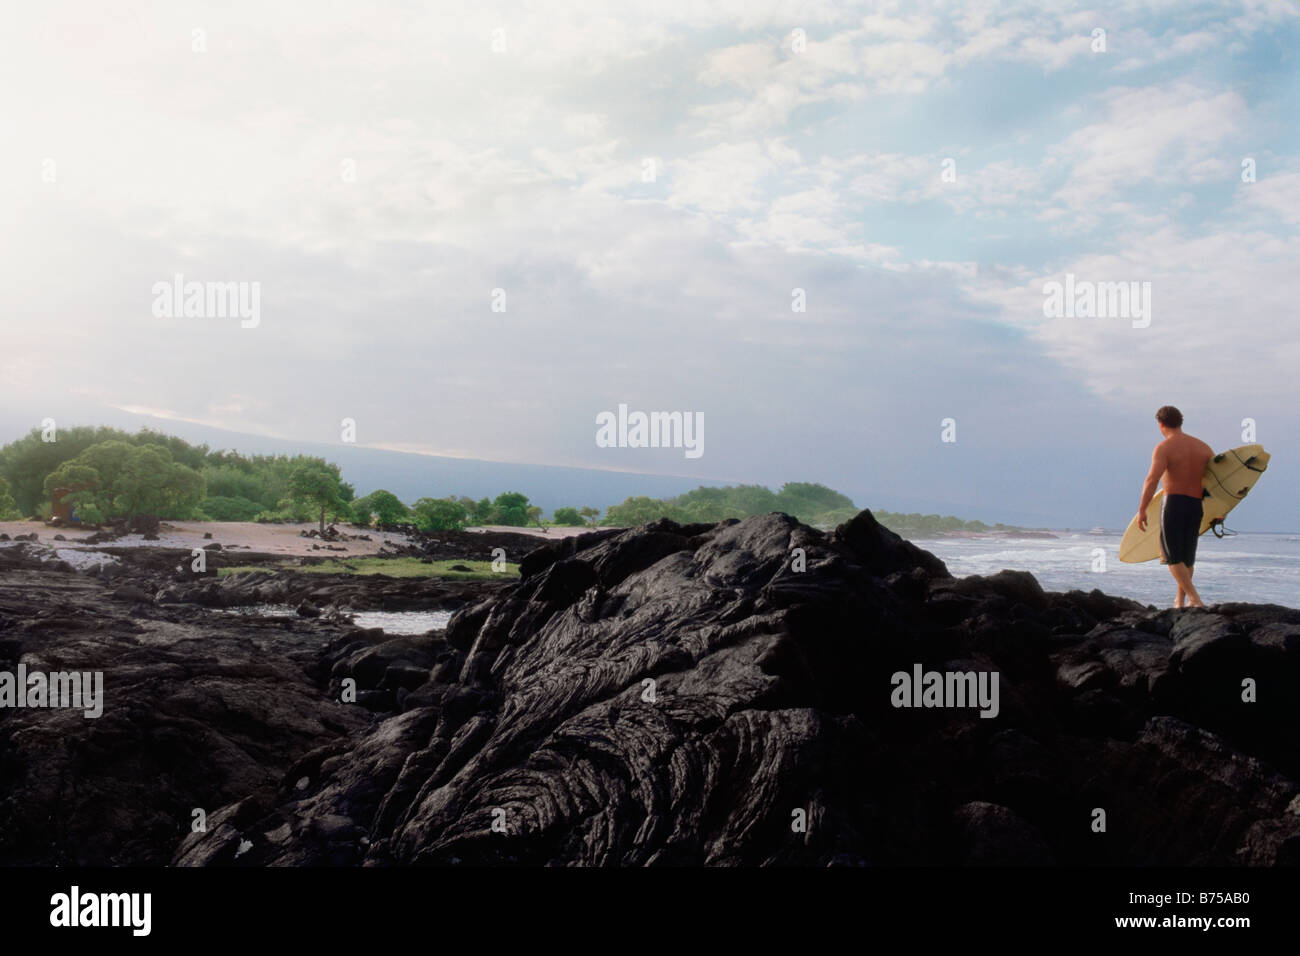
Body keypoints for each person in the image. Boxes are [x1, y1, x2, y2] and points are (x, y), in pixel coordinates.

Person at [1134, 406, 1213, 608]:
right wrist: (1220, 510)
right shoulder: (1203, 447)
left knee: (1171, 555)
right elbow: (1217, 480)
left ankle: (1194, 598)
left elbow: (1152, 480)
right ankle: (1180, 600)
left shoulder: (1164, 447)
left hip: (1174, 503)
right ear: (1180, 421)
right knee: (1187, 557)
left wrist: (1142, 509)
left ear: (1161, 424)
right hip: (1196, 504)